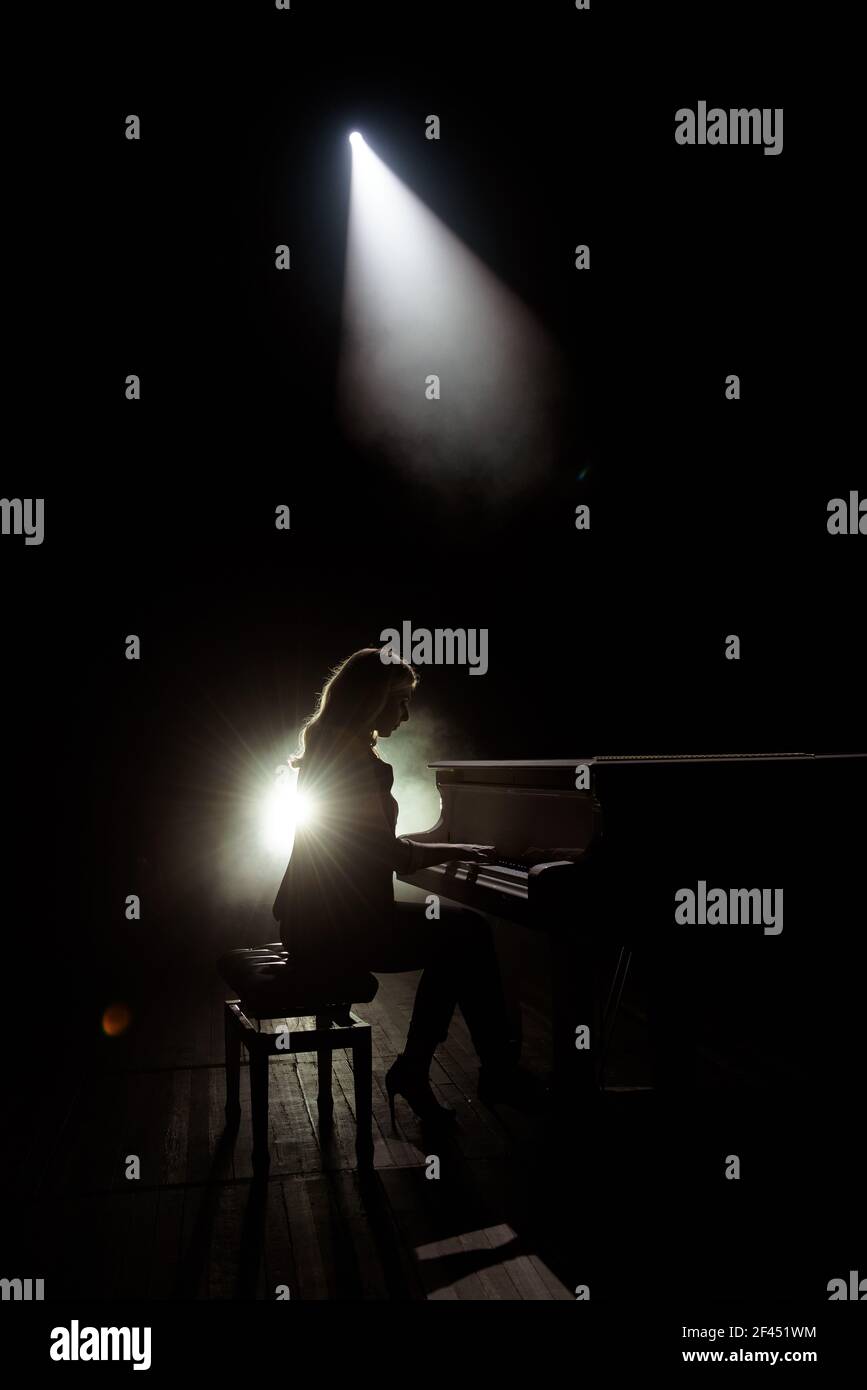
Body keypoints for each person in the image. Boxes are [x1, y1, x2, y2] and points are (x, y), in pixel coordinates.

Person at [272, 647, 547, 1126]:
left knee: (457, 939)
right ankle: (482, 1070)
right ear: (372, 698)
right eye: (399, 700)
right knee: (468, 935)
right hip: (340, 929)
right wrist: (458, 849)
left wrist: (446, 848)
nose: (406, 712)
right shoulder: (355, 761)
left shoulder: (334, 748)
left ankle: (425, 1069)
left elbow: (373, 844)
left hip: (310, 920)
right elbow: (393, 857)